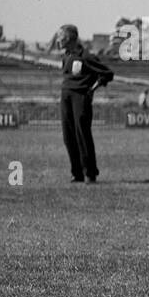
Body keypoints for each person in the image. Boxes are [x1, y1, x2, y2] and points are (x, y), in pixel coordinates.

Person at [57, 24, 114, 183]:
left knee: (82, 134)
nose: (57, 39)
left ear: (68, 38)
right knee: (68, 137)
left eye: (60, 36)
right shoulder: (66, 56)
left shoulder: (86, 56)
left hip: (80, 98)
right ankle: (77, 173)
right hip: (66, 98)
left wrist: (92, 90)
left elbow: (107, 74)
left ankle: (90, 172)